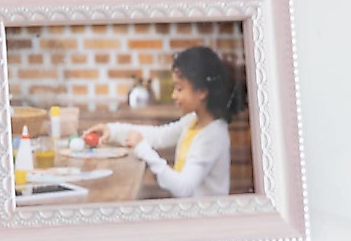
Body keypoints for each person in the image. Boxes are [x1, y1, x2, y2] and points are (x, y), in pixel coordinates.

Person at [87, 45, 243, 198]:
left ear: (202, 92)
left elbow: (183, 188)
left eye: (180, 89)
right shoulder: (192, 122)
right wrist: (111, 130)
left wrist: (144, 150)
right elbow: (158, 135)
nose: (174, 95)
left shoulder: (213, 135)